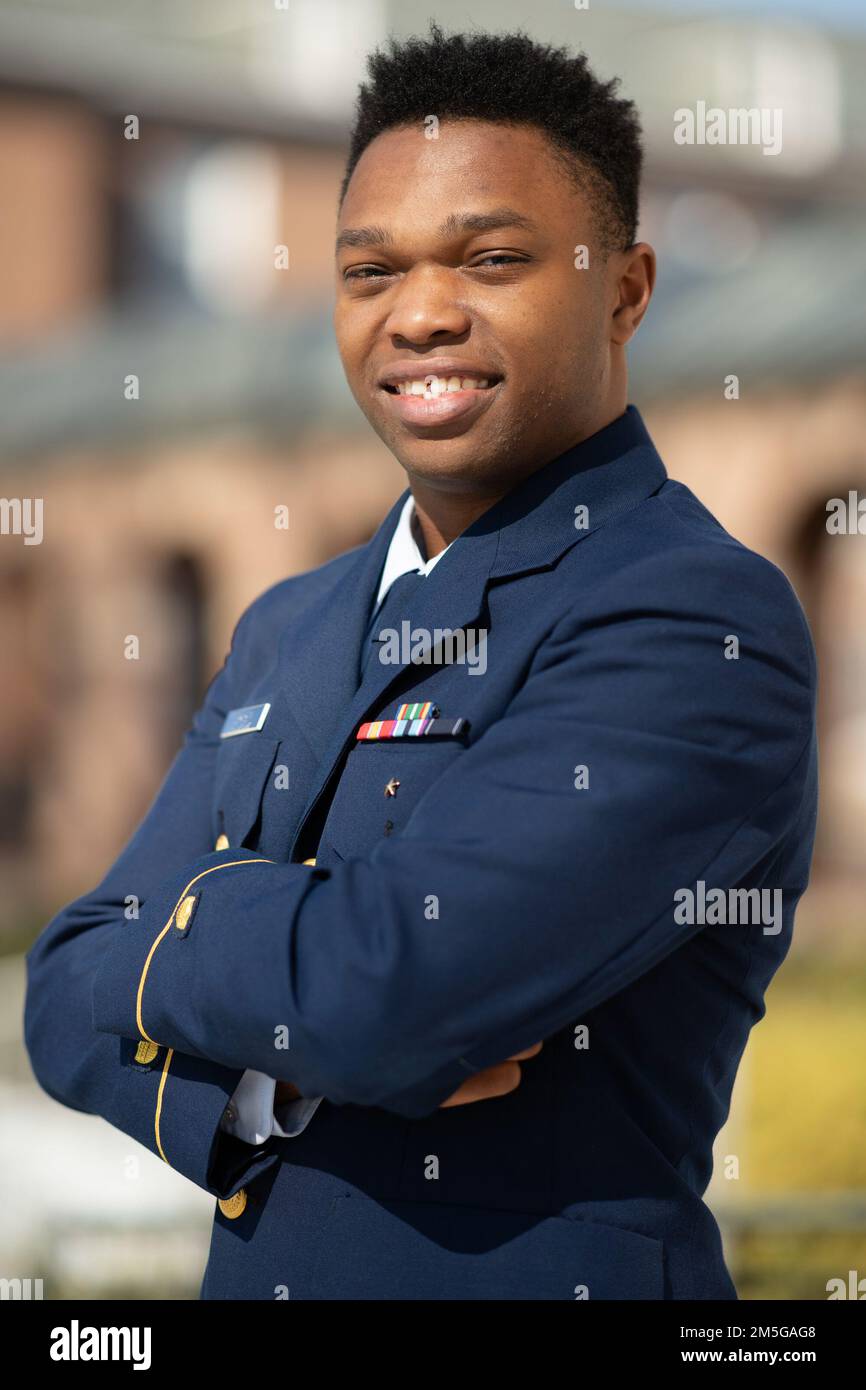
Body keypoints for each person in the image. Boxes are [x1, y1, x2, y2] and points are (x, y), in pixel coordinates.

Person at [24, 23, 817, 1300]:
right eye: (368, 270)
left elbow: (389, 990)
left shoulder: (688, 620)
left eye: (492, 258)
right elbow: (63, 989)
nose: (422, 313)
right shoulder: (290, 621)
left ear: (623, 289)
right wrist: (278, 1073)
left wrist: (186, 939)